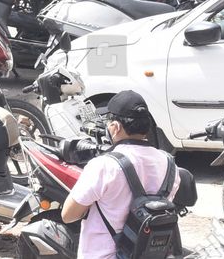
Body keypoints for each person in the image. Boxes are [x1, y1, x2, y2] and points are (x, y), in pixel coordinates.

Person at [60, 90, 181, 259]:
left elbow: (68, 215)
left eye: (109, 122)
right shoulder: (169, 164)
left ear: (116, 127)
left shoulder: (104, 165)